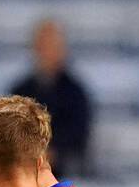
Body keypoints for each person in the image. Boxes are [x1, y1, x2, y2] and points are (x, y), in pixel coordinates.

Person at [10, 20, 92, 177]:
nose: (47, 52)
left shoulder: (75, 93)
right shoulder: (20, 91)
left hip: (65, 169)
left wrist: (54, 152)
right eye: (43, 46)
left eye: (52, 46)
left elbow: (79, 133)